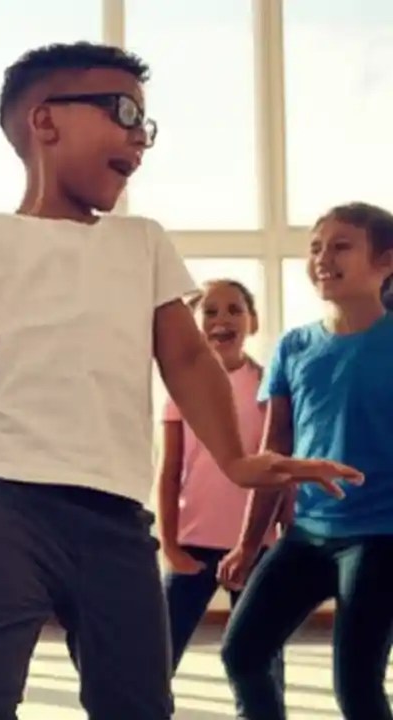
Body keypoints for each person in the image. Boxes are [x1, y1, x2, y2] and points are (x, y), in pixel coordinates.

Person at [0, 42, 360, 720]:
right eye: (123, 111)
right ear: (45, 122)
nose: (139, 136)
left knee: (135, 701)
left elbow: (187, 360)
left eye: (145, 123)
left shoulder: (143, 241)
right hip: (7, 508)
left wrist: (238, 458)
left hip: (118, 522)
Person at [220, 202, 393, 720]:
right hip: (306, 533)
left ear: (386, 261)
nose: (322, 258)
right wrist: (249, 543)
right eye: (316, 247)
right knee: (242, 653)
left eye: (341, 247)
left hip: (380, 537)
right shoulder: (295, 347)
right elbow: (273, 454)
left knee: (356, 687)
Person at [156, 280, 285, 704]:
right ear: (194, 325)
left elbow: (281, 470)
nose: (222, 319)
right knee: (156, 654)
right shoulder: (182, 388)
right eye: (210, 311)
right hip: (193, 546)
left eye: (233, 309)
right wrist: (170, 544)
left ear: (252, 321)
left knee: (260, 660)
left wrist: (289, 538)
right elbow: (170, 469)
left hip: (257, 546)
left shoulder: (270, 386)